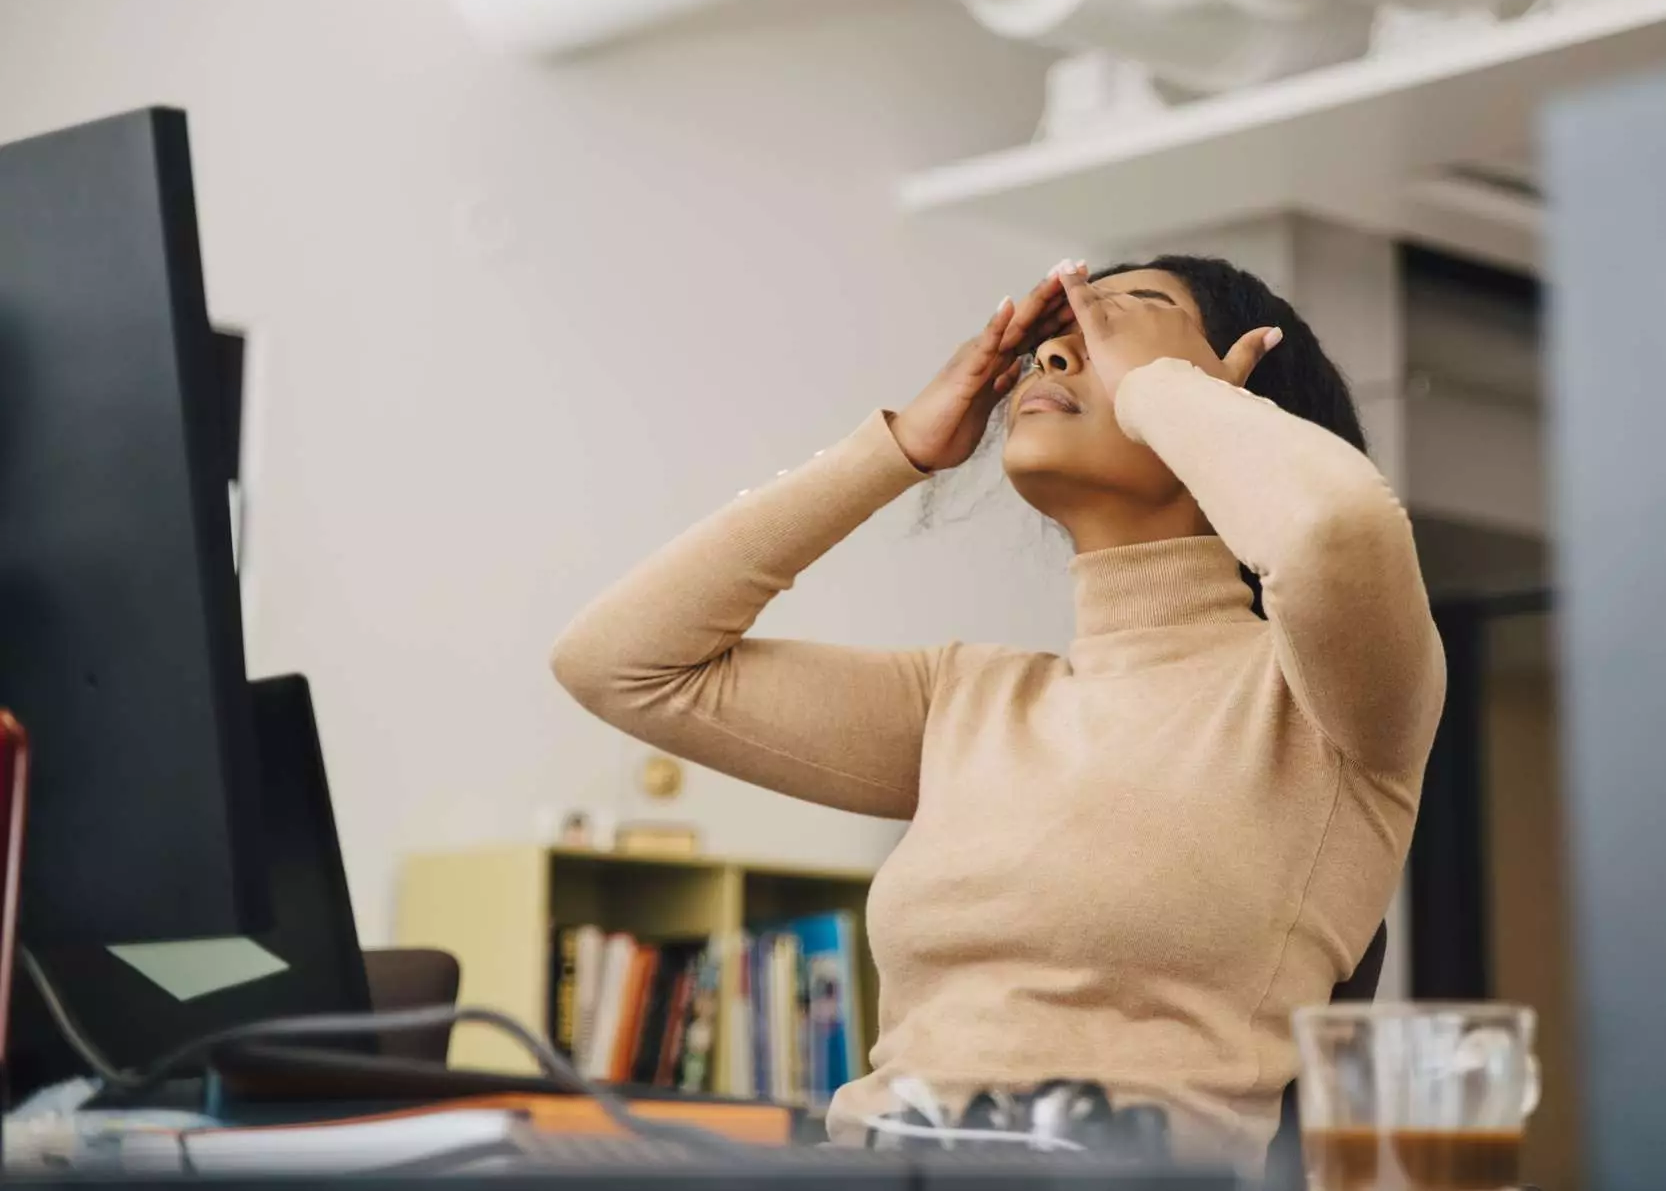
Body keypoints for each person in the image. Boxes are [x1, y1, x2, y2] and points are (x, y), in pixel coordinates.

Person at [551, 256, 1445, 1163]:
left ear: (1233, 391)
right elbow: (621, 664)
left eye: (1119, 325)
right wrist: (894, 449)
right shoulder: (965, 700)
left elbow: (1334, 528)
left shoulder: (1327, 701)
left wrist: (1163, 391)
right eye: (1052, 339)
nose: (1056, 354)